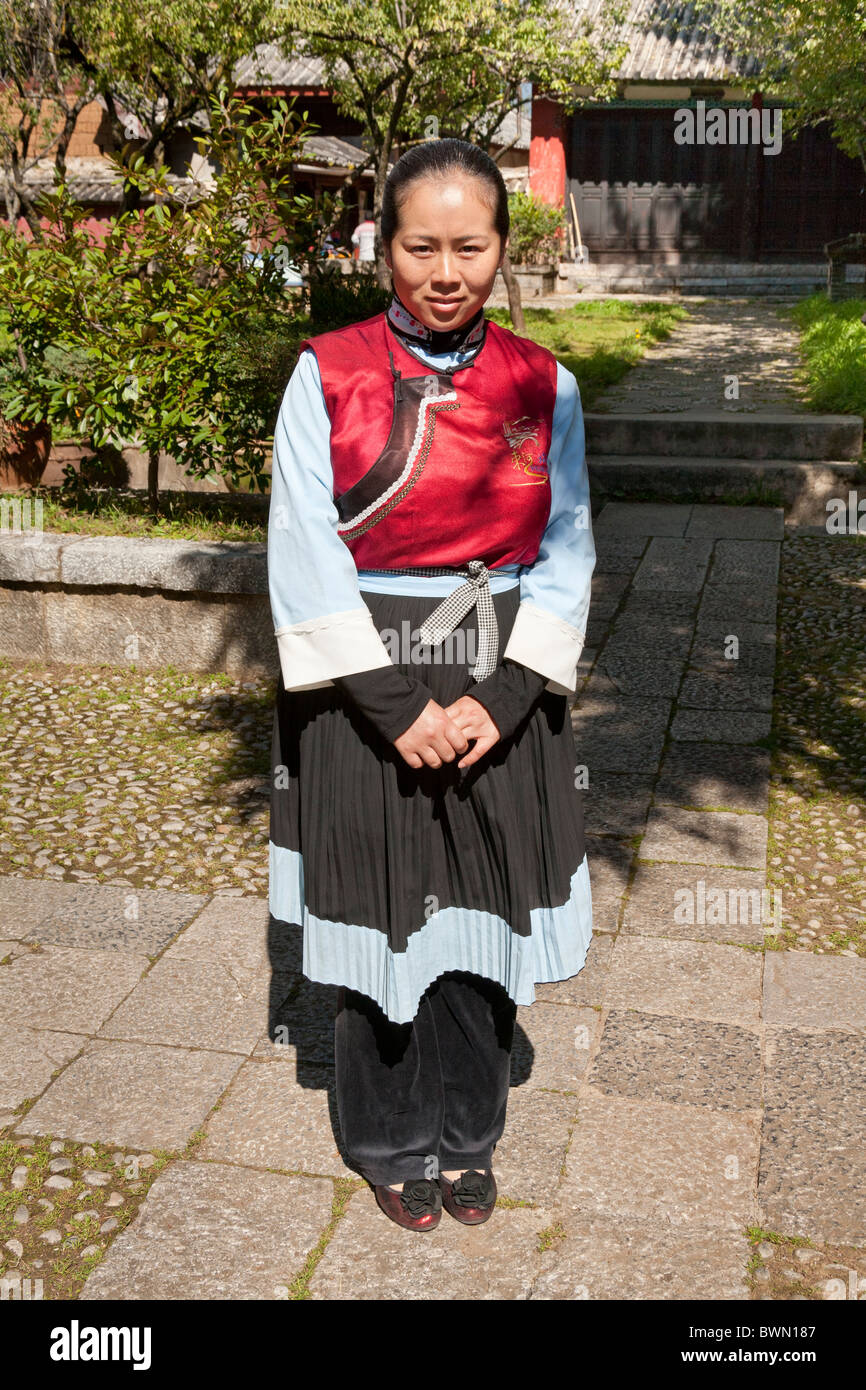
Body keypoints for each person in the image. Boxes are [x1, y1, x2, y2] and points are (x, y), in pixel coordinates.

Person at [267, 137, 596, 1233]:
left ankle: (469, 1131)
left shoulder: (545, 383)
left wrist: (501, 700)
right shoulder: (326, 376)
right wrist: (396, 707)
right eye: (420, 246)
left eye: (469, 245)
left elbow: (568, 551)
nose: (445, 271)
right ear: (382, 248)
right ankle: (387, 1136)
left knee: (482, 918)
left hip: (498, 673)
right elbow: (304, 555)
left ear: (503, 247)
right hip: (369, 687)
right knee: (380, 919)